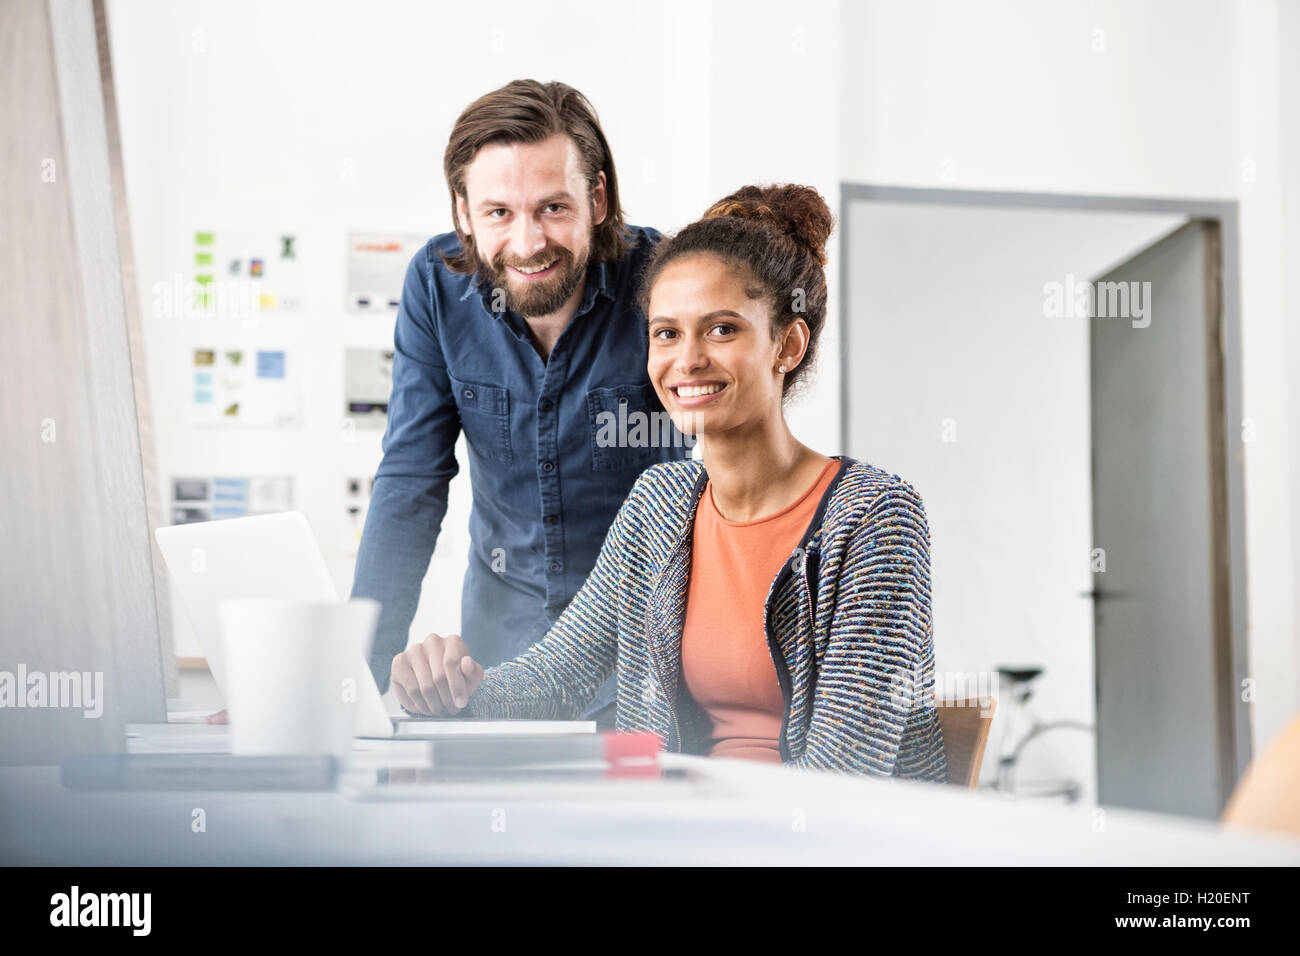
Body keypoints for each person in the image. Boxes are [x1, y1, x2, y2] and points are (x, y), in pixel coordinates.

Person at [389, 184, 948, 780]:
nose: (687, 360)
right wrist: (450, 689)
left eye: (723, 329)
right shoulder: (660, 504)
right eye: (666, 332)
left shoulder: (874, 517)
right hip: (672, 826)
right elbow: (557, 678)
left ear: (788, 343)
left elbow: (846, 775)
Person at [346, 79, 691, 731]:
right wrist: (345, 685)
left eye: (553, 208)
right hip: (501, 670)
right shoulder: (436, 286)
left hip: (644, 673)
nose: (529, 242)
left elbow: (723, 465)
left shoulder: (667, 278)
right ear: (463, 212)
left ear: (597, 197)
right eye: (499, 212)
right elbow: (410, 486)